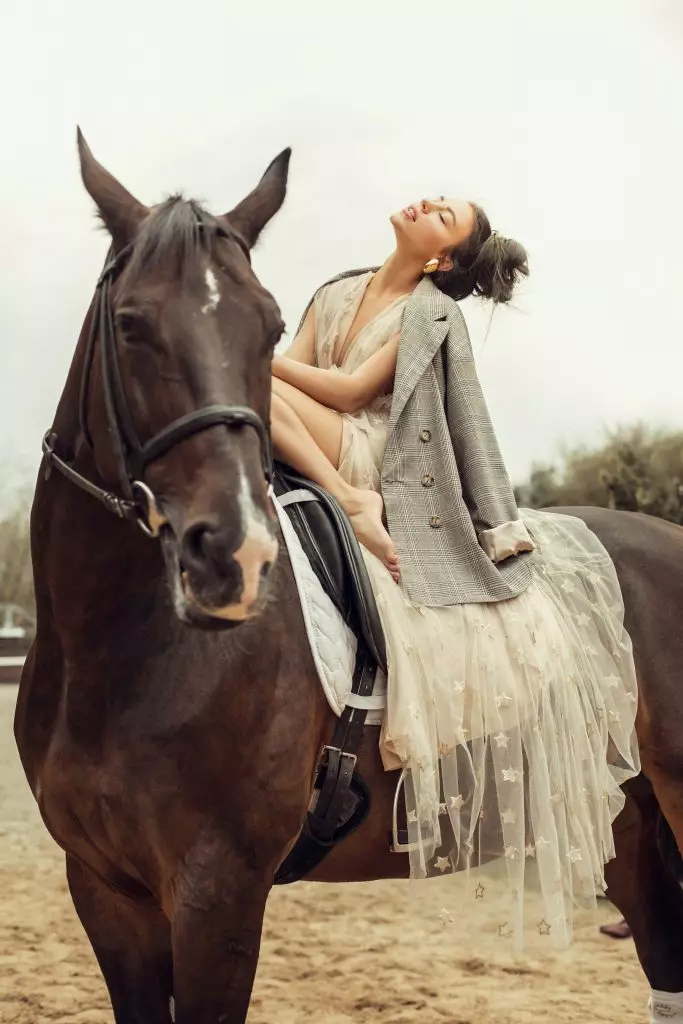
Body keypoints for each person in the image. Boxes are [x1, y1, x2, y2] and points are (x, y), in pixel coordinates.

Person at [270, 195, 640, 950]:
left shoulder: (430, 311)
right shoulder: (336, 289)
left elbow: (348, 393)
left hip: (364, 447)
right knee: (246, 397)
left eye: (445, 215)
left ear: (441, 258)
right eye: (436, 199)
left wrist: (248, 358)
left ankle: (350, 503)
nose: (427, 202)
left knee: (245, 388)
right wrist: (268, 372)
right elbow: (305, 369)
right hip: (301, 424)